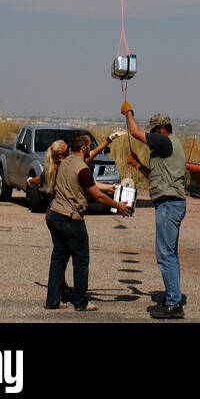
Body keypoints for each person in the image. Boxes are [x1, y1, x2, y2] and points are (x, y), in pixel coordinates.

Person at [45, 131, 131, 311]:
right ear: (84, 148)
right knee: (81, 259)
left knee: (58, 259)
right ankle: (81, 302)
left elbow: (87, 182)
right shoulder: (82, 168)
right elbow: (97, 196)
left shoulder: (67, 162)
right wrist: (118, 205)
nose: (91, 149)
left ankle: (52, 301)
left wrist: (108, 187)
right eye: (90, 146)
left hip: (54, 215)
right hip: (70, 218)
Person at [122, 102, 187, 319]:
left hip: (168, 205)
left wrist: (128, 112)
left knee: (165, 254)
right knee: (170, 254)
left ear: (162, 128)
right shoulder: (168, 148)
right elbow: (157, 177)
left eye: (154, 130)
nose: (152, 134)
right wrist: (139, 165)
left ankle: (173, 304)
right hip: (171, 204)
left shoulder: (165, 141)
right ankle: (173, 298)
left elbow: (134, 132)